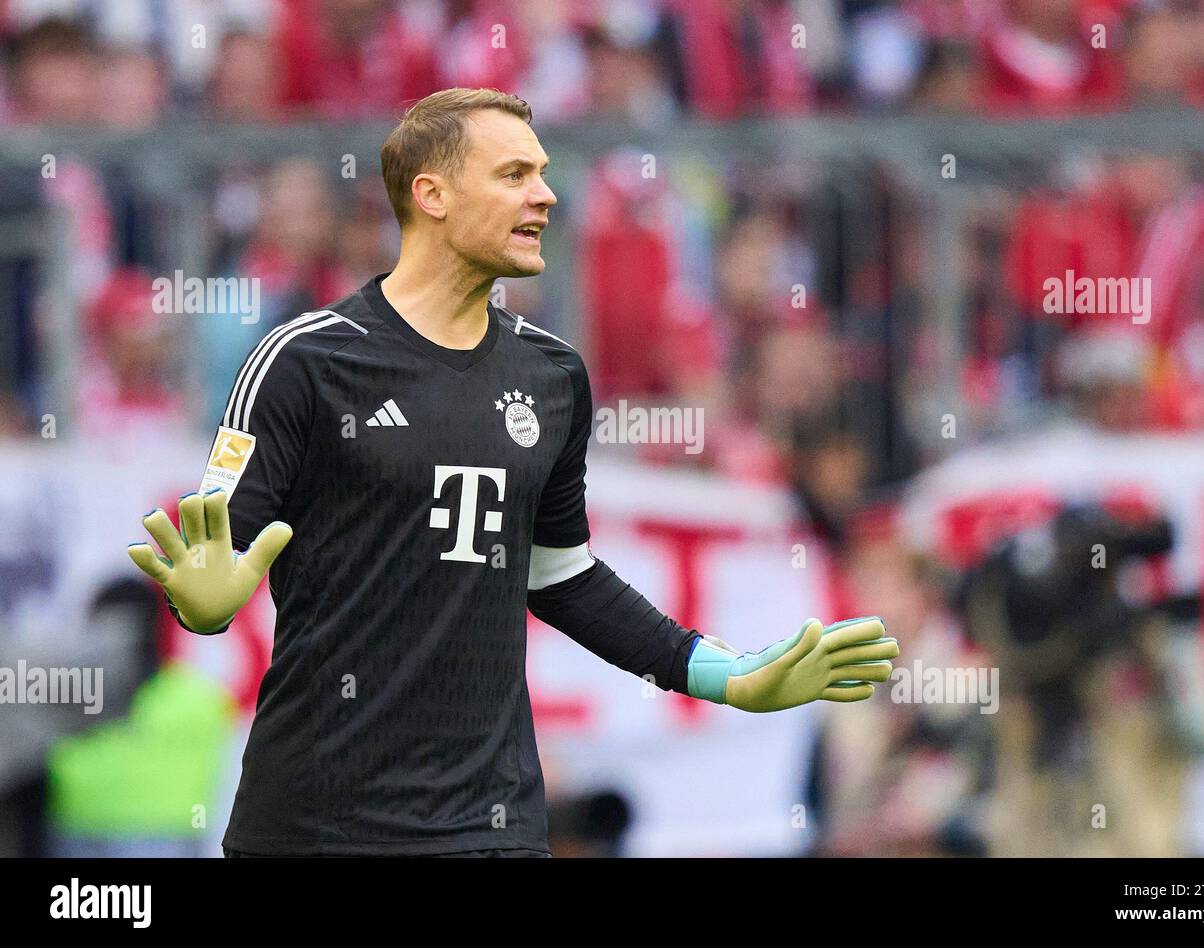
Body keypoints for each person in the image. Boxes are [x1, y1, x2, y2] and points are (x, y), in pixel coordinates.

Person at [125, 88, 898, 857]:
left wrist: (722, 674)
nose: (545, 194)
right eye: (514, 174)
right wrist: (203, 603)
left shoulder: (551, 375)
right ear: (431, 195)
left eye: (544, 172)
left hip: (490, 829)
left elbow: (564, 577)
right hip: (319, 830)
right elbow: (216, 549)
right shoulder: (304, 360)